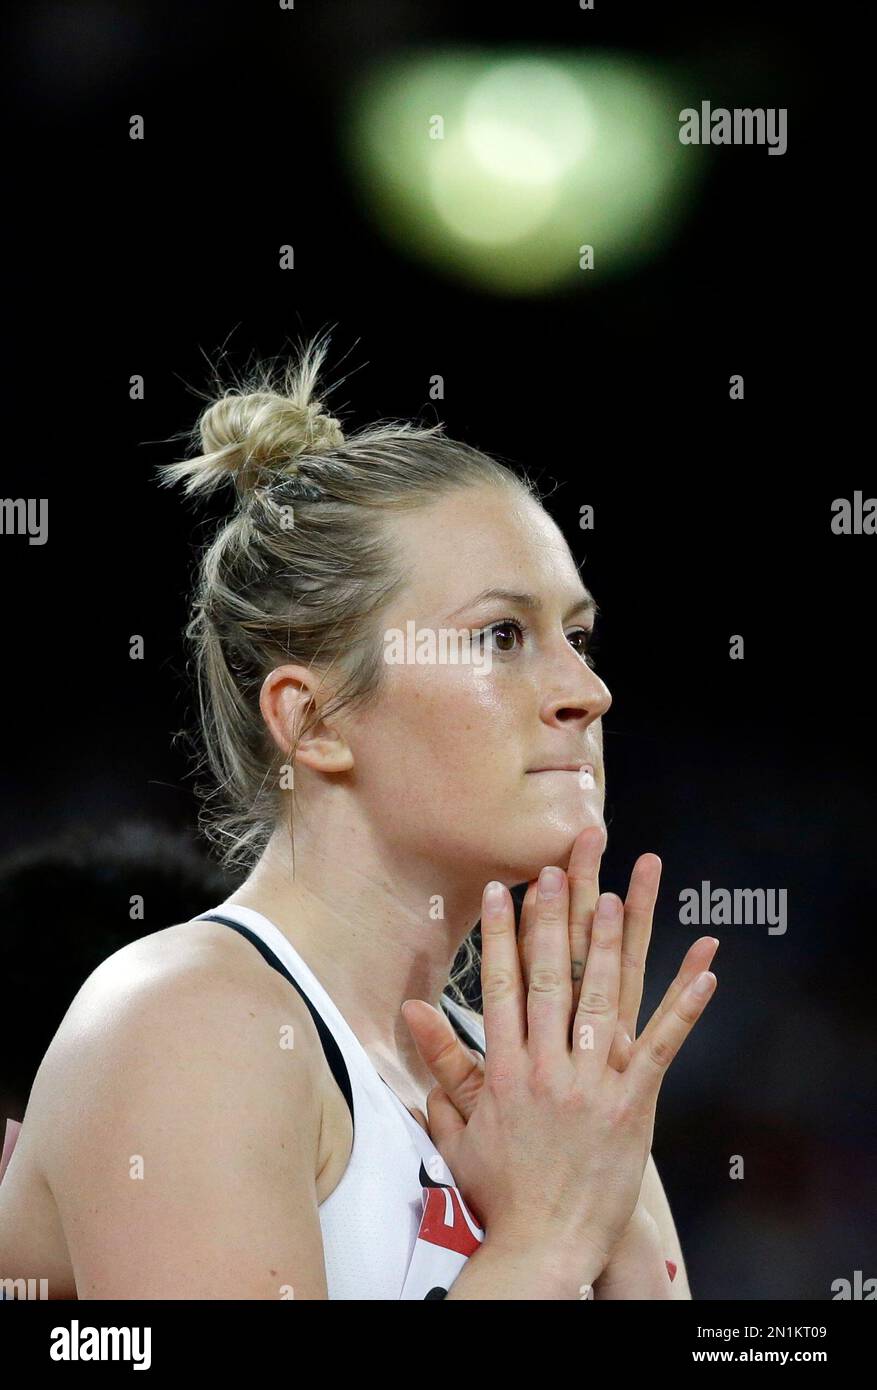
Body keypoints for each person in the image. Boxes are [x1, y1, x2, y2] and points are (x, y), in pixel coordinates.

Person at [0, 332, 717, 1299]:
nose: (586, 690)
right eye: (502, 635)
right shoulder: (189, 1023)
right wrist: (546, 1239)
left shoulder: (546, 1101)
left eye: (577, 635)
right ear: (314, 718)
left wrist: (613, 1218)